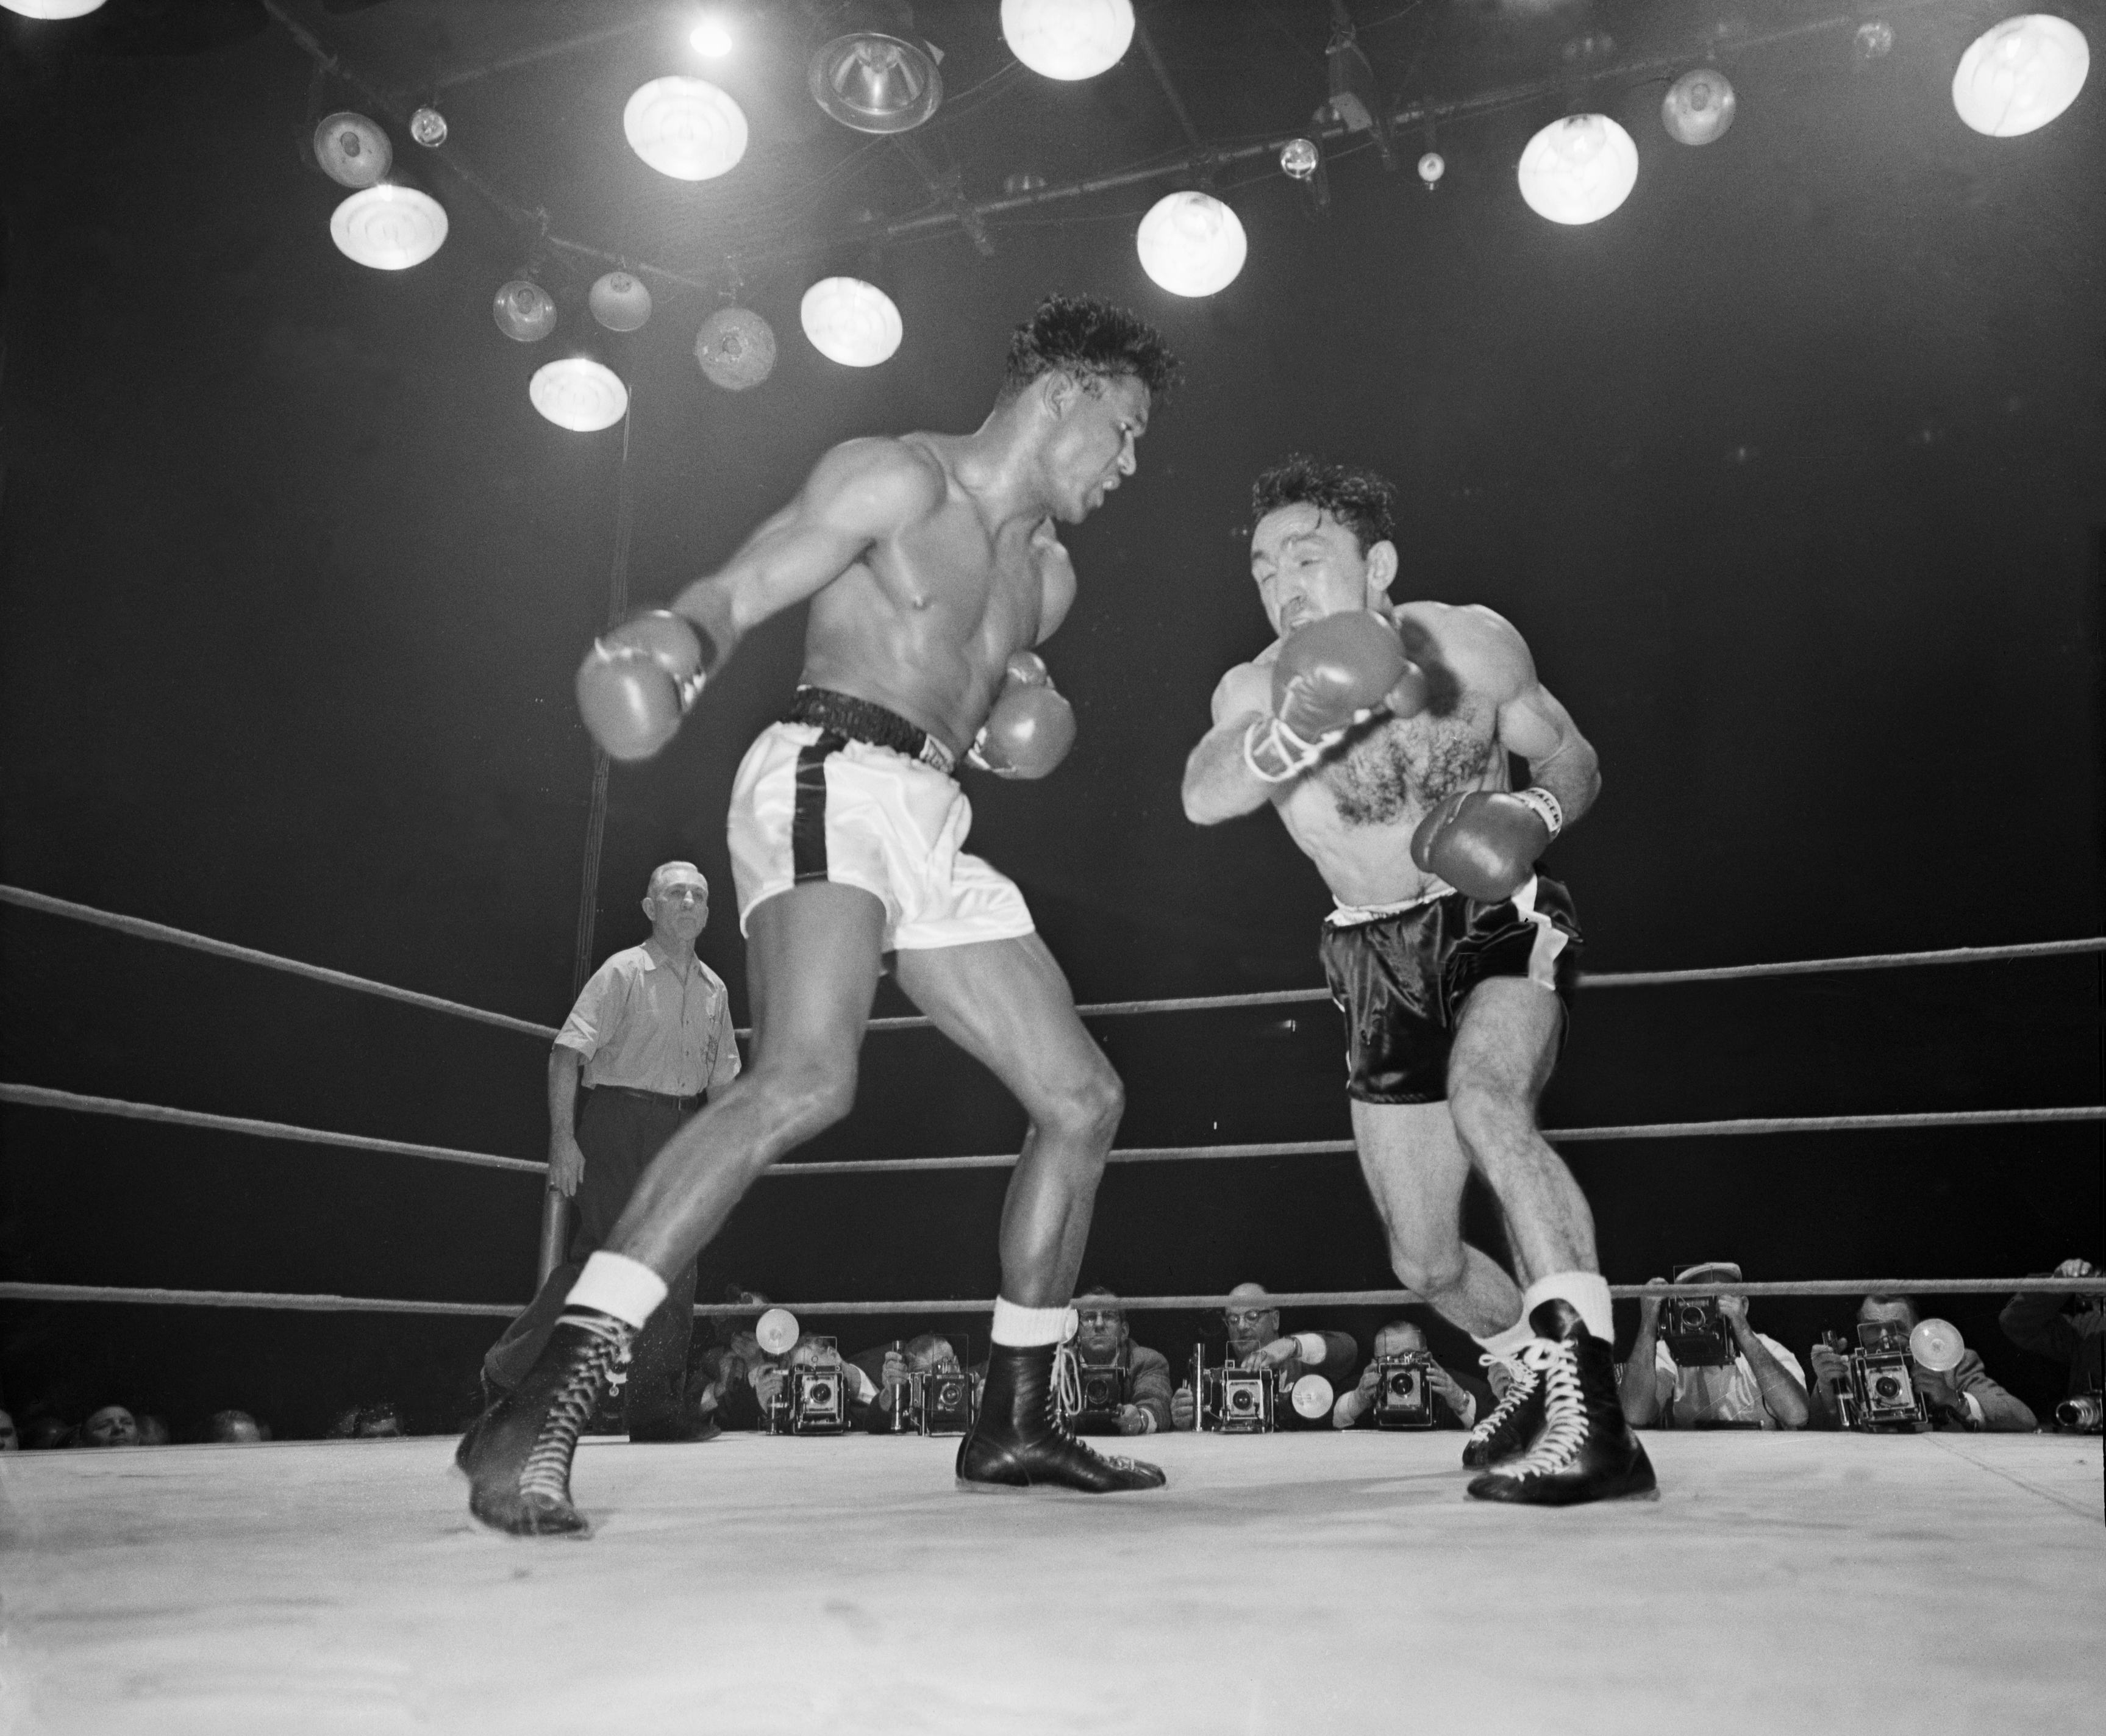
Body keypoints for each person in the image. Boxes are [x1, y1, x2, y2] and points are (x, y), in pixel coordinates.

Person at [462, 296, 1181, 1534]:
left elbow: (983, 675)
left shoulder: (1047, 576)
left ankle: (1015, 1411)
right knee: (804, 1075)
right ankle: (547, 1396)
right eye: (1119, 430)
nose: (1126, 464)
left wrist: (1019, 702)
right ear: (1061, 390)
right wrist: (682, 638)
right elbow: (754, 576)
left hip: (932, 815)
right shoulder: (897, 479)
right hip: (826, 774)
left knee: (1082, 1097)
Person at [1180, 455, 1649, 1504]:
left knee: (1488, 1101)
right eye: (1263, 568)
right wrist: (1291, 724)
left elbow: (1570, 755)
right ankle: (1524, 1369)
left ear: (1375, 562)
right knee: (1424, 1263)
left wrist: (1532, 815)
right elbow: (1203, 794)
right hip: (1369, 954)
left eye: (1307, 557)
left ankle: (1593, 1413)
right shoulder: (1254, 688)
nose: (1281, 584)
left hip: (1491, 917)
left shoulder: (1471, 643)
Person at [476, 861, 741, 1448]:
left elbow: (722, 1081)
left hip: (684, 1127)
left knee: (677, 1262)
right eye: (677, 893)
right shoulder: (624, 971)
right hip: (620, 1119)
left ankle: (651, 1405)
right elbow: (566, 1053)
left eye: (699, 895)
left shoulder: (715, 989)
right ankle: (508, 1369)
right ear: (651, 907)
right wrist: (563, 1139)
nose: (690, 902)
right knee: (603, 1258)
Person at [1808, 1294, 2035, 1432]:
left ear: (1918, 1330)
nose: (1885, 1337)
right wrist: (1827, 1385)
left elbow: (2024, 1418)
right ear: (1860, 1330)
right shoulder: (1845, 1371)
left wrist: (1953, 1400)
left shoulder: (1949, 1363)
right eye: (1873, 1328)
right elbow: (1814, 1431)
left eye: (1897, 1327)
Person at [1619, 1265, 1808, 1431]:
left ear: (1743, 1306)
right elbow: (1633, 1415)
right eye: (1698, 1303)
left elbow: (1797, 1415)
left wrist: (1742, 1330)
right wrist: (1648, 1323)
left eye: (1718, 1300)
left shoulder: (1769, 1350)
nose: (1708, 1312)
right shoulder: (1669, 1350)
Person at [1169, 1282, 1357, 1431]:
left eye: (1252, 1316)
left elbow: (1348, 1348)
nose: (1241, 1326)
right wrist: (1185, 1414)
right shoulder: (1220, 1381)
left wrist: (1290, 1346)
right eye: (1233, 1320)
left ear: (1275, 1319)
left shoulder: (1301, 1361)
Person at [1331, 1320, 1490, 1431]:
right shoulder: (1365, 1389)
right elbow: (1317, 1415)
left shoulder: (1450, 1385)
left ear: (1427, 1357)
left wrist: (1459, 1400)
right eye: (1388, 1360)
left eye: (1408, 1356)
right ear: (1375, 1363)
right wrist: (1356, 1401)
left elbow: (1502, 1421)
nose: (1399, 1365)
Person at [1062, 1289, 1175, 1435]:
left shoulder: (1147, 1361)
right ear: (1076, 1332)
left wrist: (1141, 1419)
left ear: (1124, 1331)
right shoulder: (1061, 1364)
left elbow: (1156, 1401)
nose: (1099, 1324)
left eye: (1108, 1316)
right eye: (1089, 1317)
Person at [1999, 1257, 2104, 1413]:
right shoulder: (2090, 1329)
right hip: (2087, 1431)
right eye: (2099, 1297)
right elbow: (2014, 1322)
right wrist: (2057, 1284)